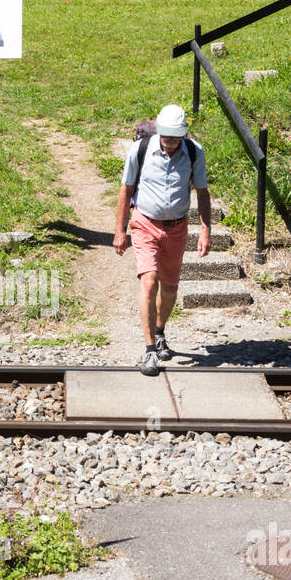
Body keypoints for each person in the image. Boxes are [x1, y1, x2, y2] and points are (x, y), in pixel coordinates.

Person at [113, 104, 211, 376]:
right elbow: (126, 189)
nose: (169, 145)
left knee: (170, 288)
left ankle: (159, 332)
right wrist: (120, 230)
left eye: (174, 140)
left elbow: (202, 192)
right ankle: (149, 351)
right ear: (160, 133)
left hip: (177, 229)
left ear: (182, 136)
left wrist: (205, 230)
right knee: (150, 280)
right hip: (144, 223)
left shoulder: (194, 152)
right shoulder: (141, 150)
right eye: (165, 139)